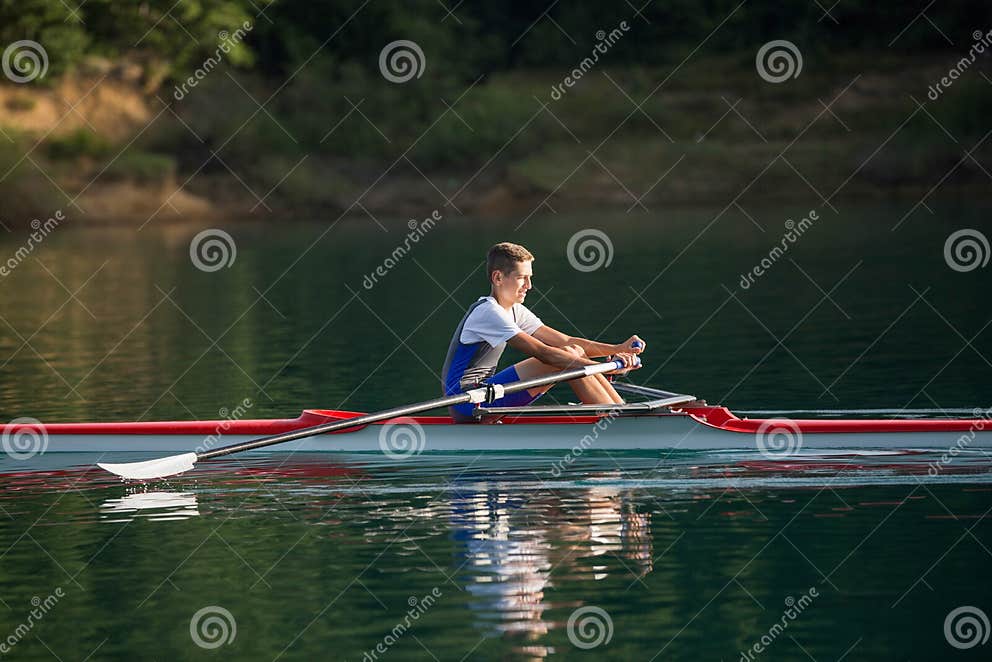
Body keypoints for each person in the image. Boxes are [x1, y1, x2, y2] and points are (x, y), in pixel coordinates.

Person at [441, 242, 644, 422]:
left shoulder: (514, 310)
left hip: (489, 392)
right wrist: (606, 368)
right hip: (466, 402)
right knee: (565, 358)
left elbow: (565, 340)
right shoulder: (487, 312)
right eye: (522, 278)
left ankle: (622, 413)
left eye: (530, 278)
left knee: (572, 351)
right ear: (498, 277)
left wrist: (619, 348)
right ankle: (617, 420)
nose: (529, 286)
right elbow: (544, 353)